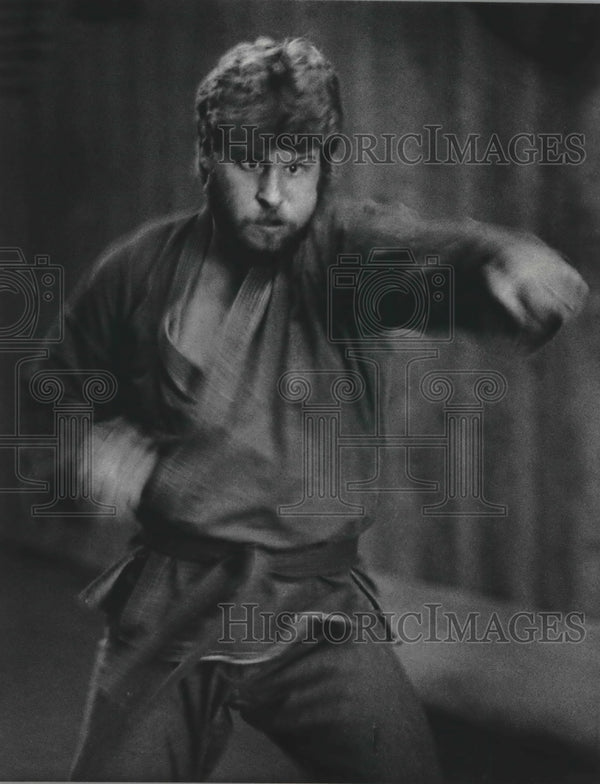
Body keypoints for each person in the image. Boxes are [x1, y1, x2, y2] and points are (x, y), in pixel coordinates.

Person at [30, 37, 588, 783]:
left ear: (323, 167)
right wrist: (87, 443)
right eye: (246, 162)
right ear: (204, 160)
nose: (272, 193)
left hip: (315, 612)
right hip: (171, 599)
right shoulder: (137, 270)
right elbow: (58, 385)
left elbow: (420, 256)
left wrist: (495, 264)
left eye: (296, 167)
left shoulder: (340, 256)